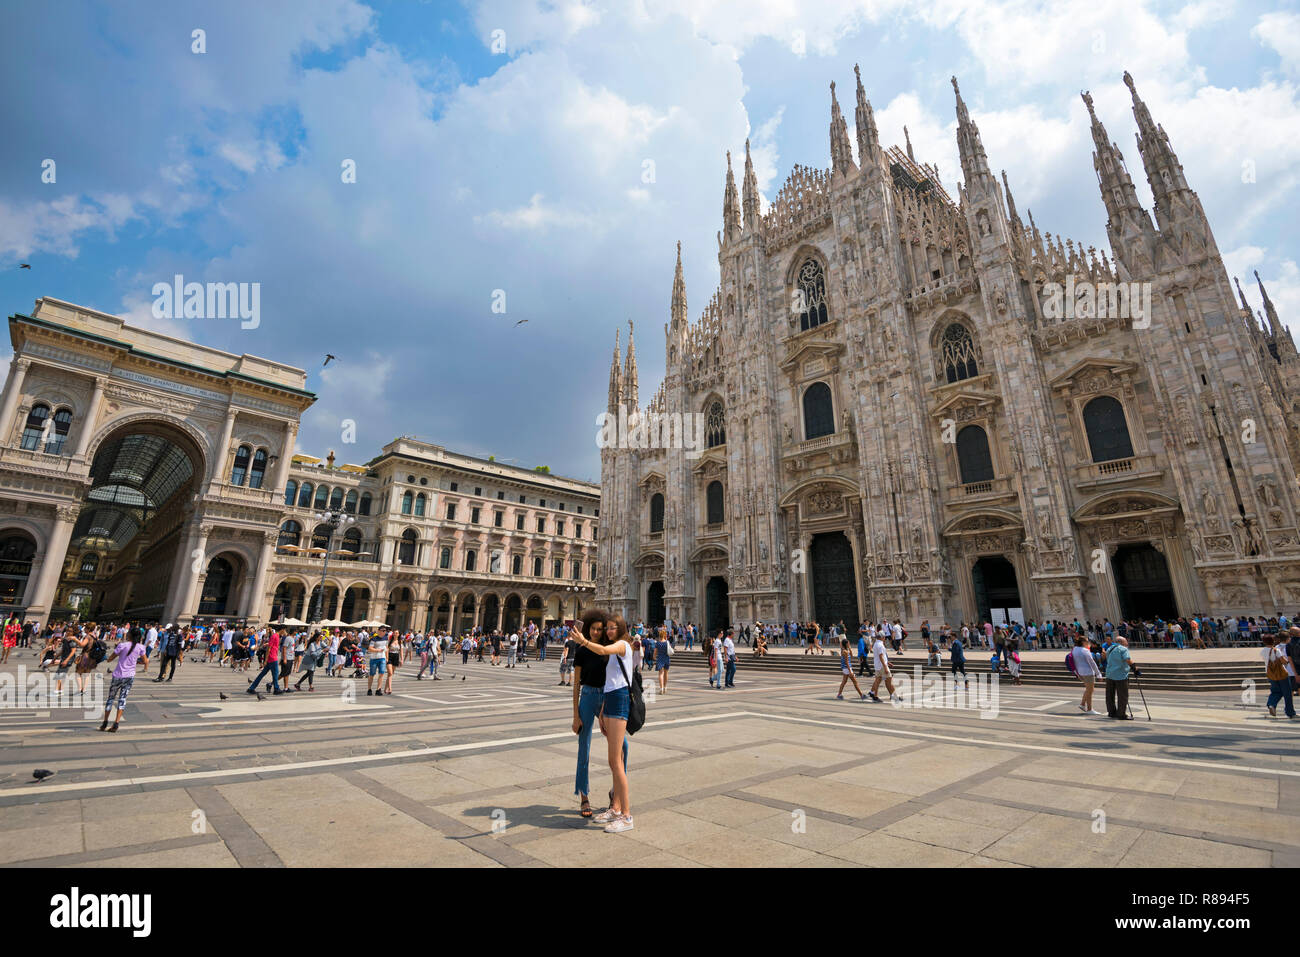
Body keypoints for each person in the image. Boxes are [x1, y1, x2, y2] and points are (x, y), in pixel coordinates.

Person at [569, 613, 634, 833]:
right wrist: (575, 715)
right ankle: (585, 796)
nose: (600, 632)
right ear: (587, 628)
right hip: (591, 697)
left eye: (604, 628)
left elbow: (609, 659)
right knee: (585, 746)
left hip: (611, 699)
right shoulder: (583, 651)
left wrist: (585, 641)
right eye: (596, 628)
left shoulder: (613, 647)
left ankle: (619, 803)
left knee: (620, 750)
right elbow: (576, 684)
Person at [100, 627, 149, 732]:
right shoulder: (141, 647)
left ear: (130, 635)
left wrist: (106, 658)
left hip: (118, 675)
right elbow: (145, 661)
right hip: (129, 676)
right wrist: (135, 661)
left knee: (110, 699)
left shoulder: (122, 645)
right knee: (122, 699)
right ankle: (116, 723)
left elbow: (110, 659)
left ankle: (104, 723)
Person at [1263, 633, 1297, 719]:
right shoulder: (1275, 650)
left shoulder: (1262, 651)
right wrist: (1287, 662)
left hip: (1270, 674)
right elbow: (1283, 661)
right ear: (1273, 641)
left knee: (1275, 691)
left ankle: (1271, 704)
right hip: (1281, 674)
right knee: (1287, 693)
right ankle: (1290, 712)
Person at [1103, 636, 1136, 719]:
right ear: (1121, 642)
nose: (1127, 643)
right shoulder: (1123, 649)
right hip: (1120, 675)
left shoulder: (1109, 649)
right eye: (1126, 641)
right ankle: (1121, 714)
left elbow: (1106, 659)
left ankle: (1111, 712)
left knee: (1110, 695)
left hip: (1110, 674)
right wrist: (1135, 668)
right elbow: (1127, 659)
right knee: (1122, 695)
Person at [245, 627, 284, 695]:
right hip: (272, 658)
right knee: (275, 674)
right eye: (284, 630)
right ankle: (276, 689)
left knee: (263, 674)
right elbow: (269, 648)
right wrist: (266, 660)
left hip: (272, 657)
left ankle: (251, 688)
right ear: (282, 629)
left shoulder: (276, 636)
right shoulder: (274, 636)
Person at [1072, 635, 1102, 715]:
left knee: (1089, 689)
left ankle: (1083, 704)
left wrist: (1076, 672)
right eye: (1087, 641)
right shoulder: (1085, 650)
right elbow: (1092, 663)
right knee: (1090, 690)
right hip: (1088, 672)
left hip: (1080, 673)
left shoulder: (1074, 649)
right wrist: (1098, 673)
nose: (1088, 643)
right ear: (1083, 642)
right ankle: (1089, 708)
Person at [868, 631, 899, 703]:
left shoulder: (876, 644)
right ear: (882, 637)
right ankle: (894, 696)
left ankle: (874, 695)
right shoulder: (880, 645)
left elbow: (881, 656)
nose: (885, 638)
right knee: (889, 680)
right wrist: (885, 666)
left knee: (877, 681)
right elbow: (881, 656)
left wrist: (888, 662)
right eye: (884, 637)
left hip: (877, 665)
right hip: (882, 666)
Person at [655, 626, 671, 694]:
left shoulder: (658, 643)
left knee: (661, 674)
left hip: (660, 658)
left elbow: (655, 652)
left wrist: (654, 657)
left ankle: (661, 688)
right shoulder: (667, 642)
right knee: (666, 673)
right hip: (666, 658)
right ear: (665, 635)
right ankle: (665, 687)